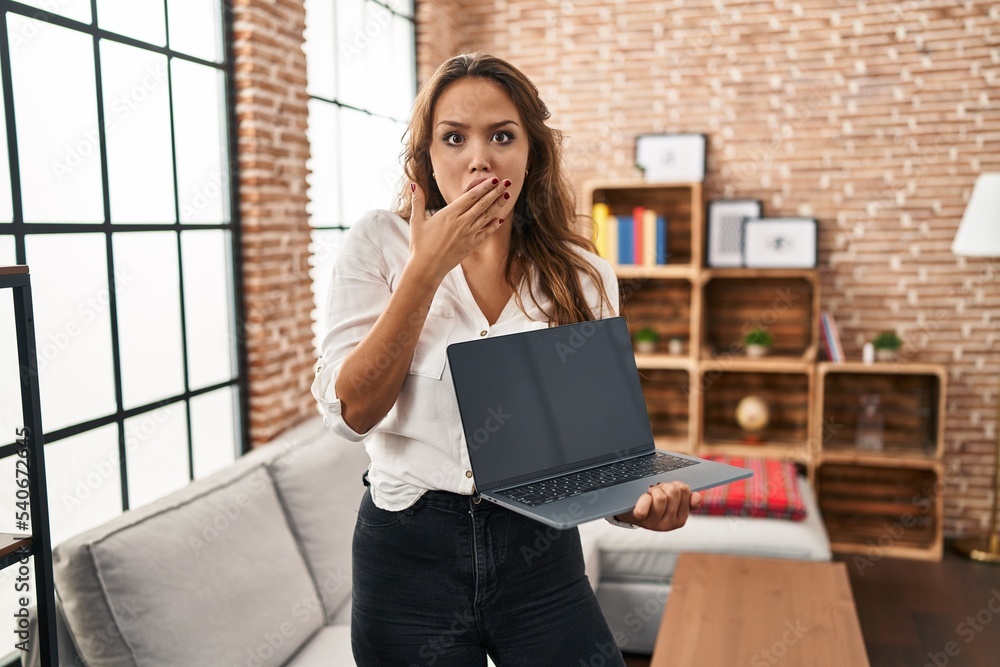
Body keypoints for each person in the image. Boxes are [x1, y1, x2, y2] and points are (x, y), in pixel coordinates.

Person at [312, 52, 702, 667]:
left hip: (540, 555)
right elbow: (351, 412)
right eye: (453, 138)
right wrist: (425, 271)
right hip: (409, 558)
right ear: (426, 158)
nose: (479, 159)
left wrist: (639, 507)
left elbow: (595, 452)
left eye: (502, 136)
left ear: (531, 154)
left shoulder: (584, 276)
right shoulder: (377, 246)